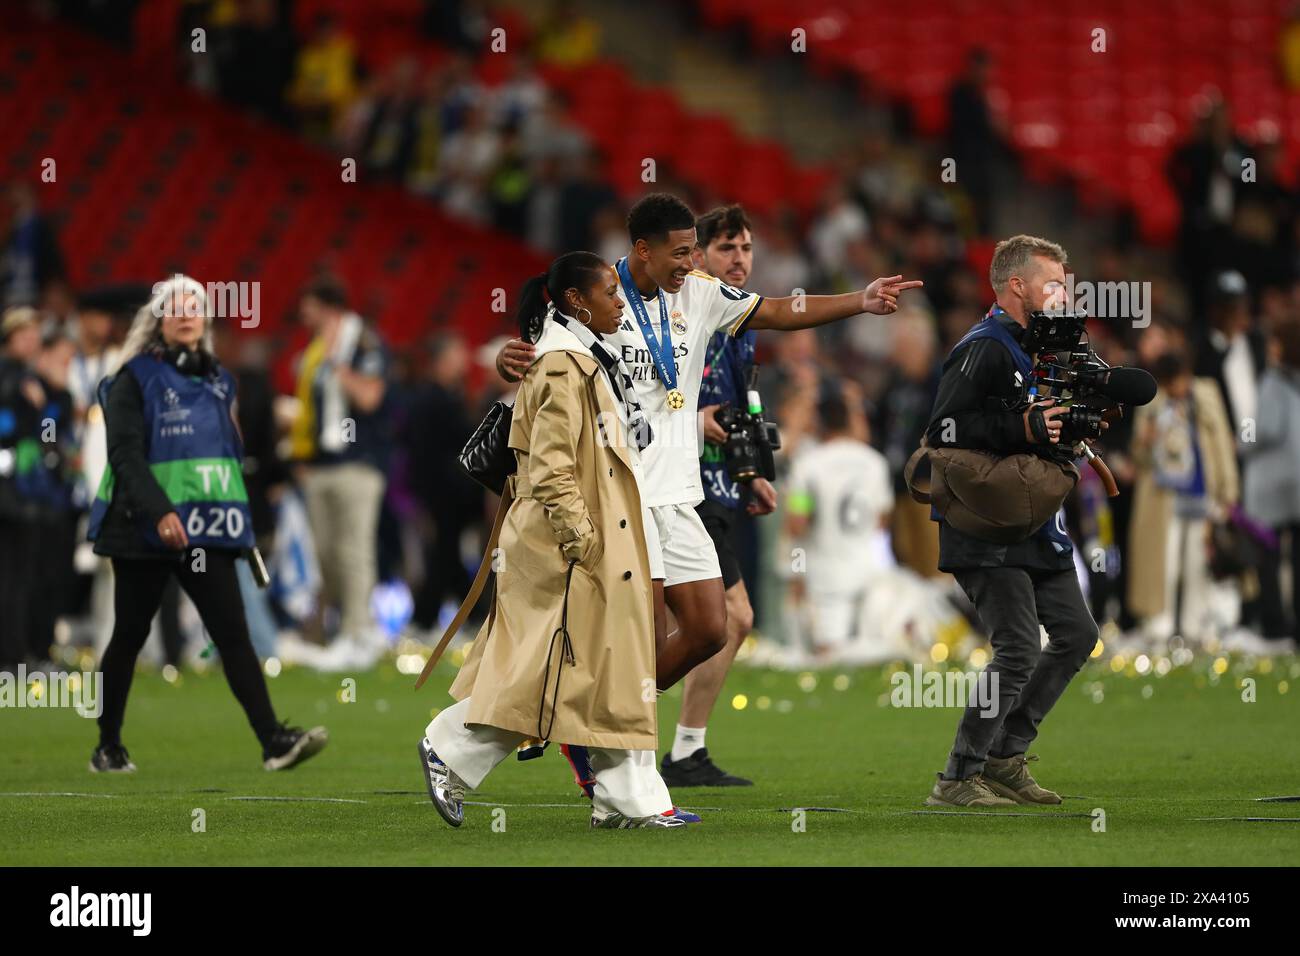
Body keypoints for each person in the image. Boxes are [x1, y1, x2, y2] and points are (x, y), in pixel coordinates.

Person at [495, 192, 922, 796]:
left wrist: (859, 300)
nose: (692, 261)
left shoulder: (696, 293)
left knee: (709, 628)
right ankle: (612, 760)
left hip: (680, 493)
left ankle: (594, 719)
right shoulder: (600, 303)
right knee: (638, 629)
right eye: (682, 251)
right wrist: (511, 361)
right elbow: (544, 365)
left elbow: (775, 310)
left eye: (696, 249)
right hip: (620, 496)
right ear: (641, 251)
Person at [419, 251, 681, 829]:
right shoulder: (564, 365)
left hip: (591, 540)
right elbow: (551, 468)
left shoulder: (585, 356)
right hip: (567, 547)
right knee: (548, 672)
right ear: (575, 301)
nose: (620, 302)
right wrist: (583, 541)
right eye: (610, 292)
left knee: (598, 667)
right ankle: (449, 748)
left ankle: (622, 801)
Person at [86, 275, 326, 773]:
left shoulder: (217, 378)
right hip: (143, 527)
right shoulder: (133, 378)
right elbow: (126, 457)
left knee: (233, 634)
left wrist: (239, 529)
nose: (186, 313)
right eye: (175, 307)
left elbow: (222, 460)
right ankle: (108, 745)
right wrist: (161, 512)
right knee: (129, 635)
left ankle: (273, 741)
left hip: (208, 529)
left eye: (194, 305)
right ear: (158, 319)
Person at [922, 235, 1099, 808]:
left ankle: (1004, 756)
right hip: (985, 523)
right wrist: (1023, 426)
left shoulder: (1050, 349)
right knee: (1020, 646)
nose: (1064, 292)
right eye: (1054, 282)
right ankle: (957, 776)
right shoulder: (985, 346)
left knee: (1078, 635)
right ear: (1017, 285)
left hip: (1035, 521)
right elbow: (943, 430)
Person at [661, 204, 775, 788]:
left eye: (747, 248)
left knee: (718, 622)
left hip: (719, 485)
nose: (740, 259)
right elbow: (662, 393)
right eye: (728, 247)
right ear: (699, 255)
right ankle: (666, 749)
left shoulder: (740, 323)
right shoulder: (685, 312)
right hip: (681, 490)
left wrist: (751, 471)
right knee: (732, 618)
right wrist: (692, 416)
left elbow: (741, 405)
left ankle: (677, 751)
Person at [289, 277, 391, 669]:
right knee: (326, 554)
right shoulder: (314, 351)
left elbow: (370, 397)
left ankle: (357, 633)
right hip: (322, 465)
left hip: (359, 463)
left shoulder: (362, 341)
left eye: (309, 307)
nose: (303, 316)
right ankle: (334, 631)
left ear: (328, 307)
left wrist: (338, 365)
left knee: (354, 550)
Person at [1127, 350, 1239, 644]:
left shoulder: (1206, 394)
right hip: (1165, 497)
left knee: (1198, 563)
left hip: (1204, 493)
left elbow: (1222, 443)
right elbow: (1139, 457)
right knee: (1165, 563)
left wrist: (1229, 492)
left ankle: (1195, 627)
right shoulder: (1153, 402)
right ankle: (1159, 626)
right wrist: (1146, 439)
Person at [786, 387, 894, 659]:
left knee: (830, 655)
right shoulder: (875, 462)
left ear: (820, 423)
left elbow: (797, 524)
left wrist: (797, 571)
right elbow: (882, 522)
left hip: (826, 574)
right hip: (869, 568)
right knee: (871, 651)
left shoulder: (807, 465)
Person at [1241, 318, 1300, 646]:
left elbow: (1265, 428)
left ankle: (1275, 627)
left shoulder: (1272, 381)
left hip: (1273, 487)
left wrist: (1241, 439)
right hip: (1298, 484)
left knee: (1268, 558)